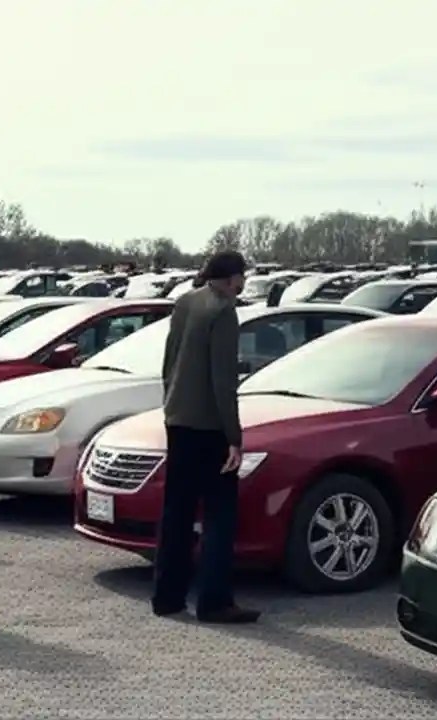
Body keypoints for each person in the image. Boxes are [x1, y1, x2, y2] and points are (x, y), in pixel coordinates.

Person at [152, 250, 259, 624]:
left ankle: (166, 596)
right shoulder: (224, 313)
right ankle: (214, 601)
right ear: (231, 278)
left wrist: (170, 402)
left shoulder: (185, 302)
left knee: (176, 511)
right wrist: (234, 436)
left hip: (177, 418)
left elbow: (169, 362)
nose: (243, 283)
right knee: (219, 515)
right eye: (241, 276)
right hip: (209, 426)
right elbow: (223, 380)